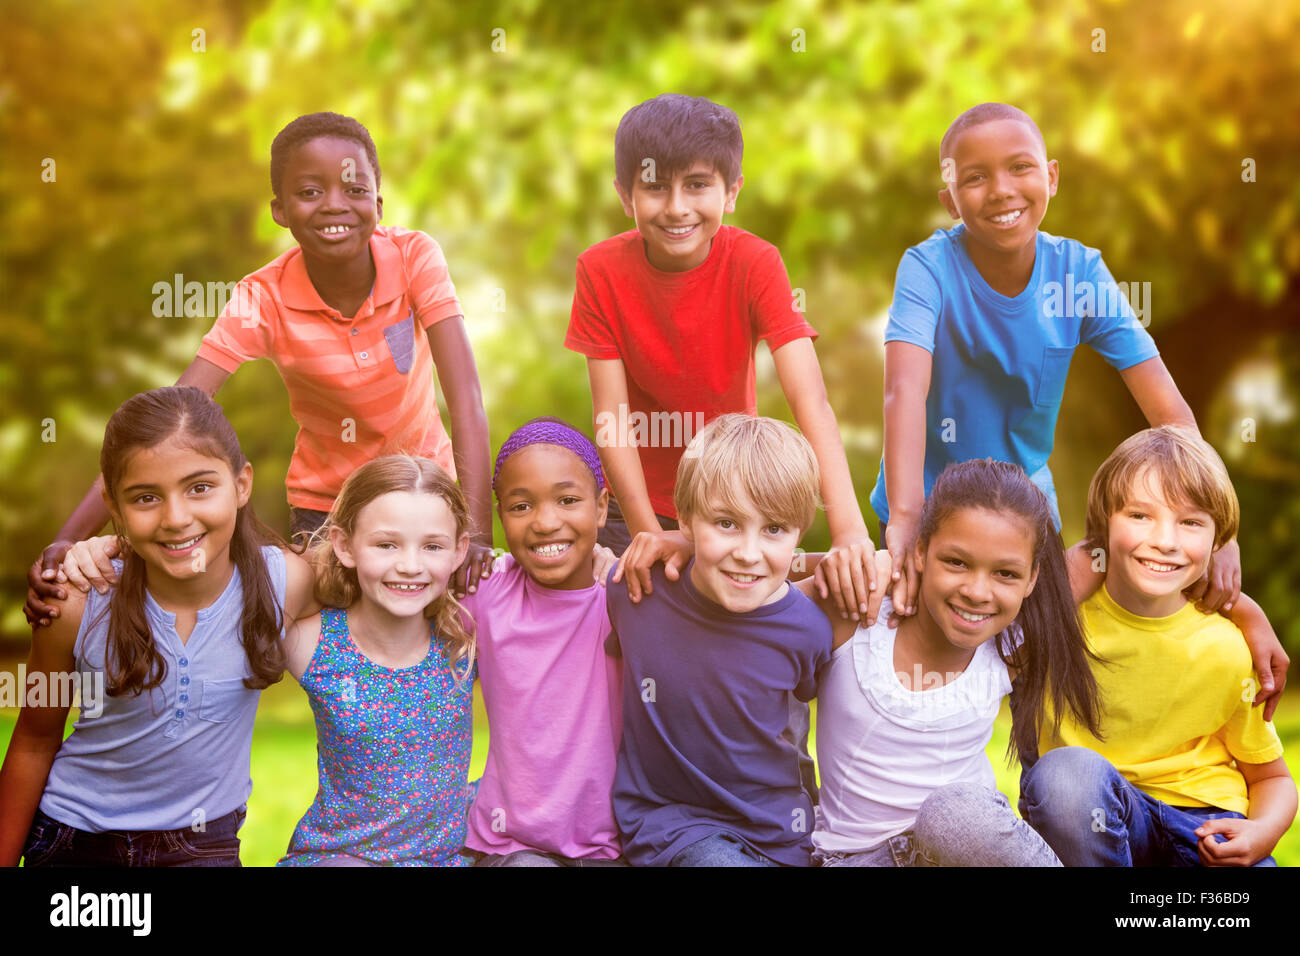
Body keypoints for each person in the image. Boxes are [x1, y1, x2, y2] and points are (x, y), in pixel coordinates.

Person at [26, 111, 493, 628]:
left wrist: (477, 532)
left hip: (425, 488)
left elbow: (466, 400)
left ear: (378, 204)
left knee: (440, 651)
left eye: (354, 188)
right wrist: (70, 534)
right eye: (310, 191)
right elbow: (174, 413)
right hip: (328, 512)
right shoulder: (262, 298)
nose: (335, 203)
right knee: (347, 664)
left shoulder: (414, 258)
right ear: (280, 210)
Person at [872, 103, 1248, 641]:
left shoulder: (1078, 274)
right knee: (917, 658)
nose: (1001, 189)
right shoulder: (928, 268)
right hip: (926, 503)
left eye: (1020, 167)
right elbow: (904, 389)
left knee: (1036, 660)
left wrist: (1220, 528)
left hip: (1026, 511)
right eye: (975, 177)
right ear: (949, 200)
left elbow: (1167, 410)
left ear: (1051, 176)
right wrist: (905, 520)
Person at [566, 93, 880, 623]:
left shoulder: (755, 262)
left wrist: (849, 531)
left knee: (738, 635)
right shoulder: (600, 271)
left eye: (696, 185)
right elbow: (612, 421)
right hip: (635, 503)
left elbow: (810, 400)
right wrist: (649, 532)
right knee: (643, 640)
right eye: (654, 187)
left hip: (733, 502)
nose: (676, 207)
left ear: (730, 192)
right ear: (625, 196)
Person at [0, 386, 315, 866]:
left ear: (242, 483)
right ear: (114, 505)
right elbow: (34, 741)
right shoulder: (76, 601)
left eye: (200, 488)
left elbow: (389, 562)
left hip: (200, 845)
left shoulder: (287, 582)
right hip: (72, 838)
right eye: (145, 497)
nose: (176, 518)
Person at [607, 414, 878, 866]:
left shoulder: (807, 627)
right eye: (727, 523)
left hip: (781, 830)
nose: (749, 553)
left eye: (773, 529)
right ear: (686, 519)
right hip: (675, 826)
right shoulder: (636, 591)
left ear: (797, 533)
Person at [1020, 426, 1297, 866]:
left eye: (1190, 522)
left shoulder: (1227, 646)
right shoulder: (1057, 625)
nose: (1165, 541)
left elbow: (1271, 778)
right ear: (1103, 527)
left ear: (1218, 542)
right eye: (1140, 516)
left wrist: (1262, 833)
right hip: (1092, 823)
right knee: (1066, 777)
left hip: (1203, 830)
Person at [807, 459, 1099, 866]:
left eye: (1006, 574)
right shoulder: (859, 614)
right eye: (957, 562)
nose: (978, 591)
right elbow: (760, 580)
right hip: (856, 858)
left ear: (1032, 579)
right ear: (921, 550)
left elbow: (1107, 550)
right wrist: (863, 561)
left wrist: (1218, 548)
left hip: (962, 849)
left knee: (955, 813)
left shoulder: (1009, 646)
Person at [277, 456, 477, 866]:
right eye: (387, 544)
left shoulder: (466, 640)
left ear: (459, 552)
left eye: (432, 546)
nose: (409, 565)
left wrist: (600, 562)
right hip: (340, 857)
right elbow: (219, 587)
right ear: (345, 545)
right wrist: (111, 548)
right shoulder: (310, 641)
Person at [462, 419, 625, 866]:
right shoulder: (488, 591)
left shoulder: (627, 596)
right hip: (509, 841)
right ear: (500, 518)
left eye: (568, 500)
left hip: (611, 844)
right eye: (520, 507)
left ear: (601, 507)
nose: (546, 522)